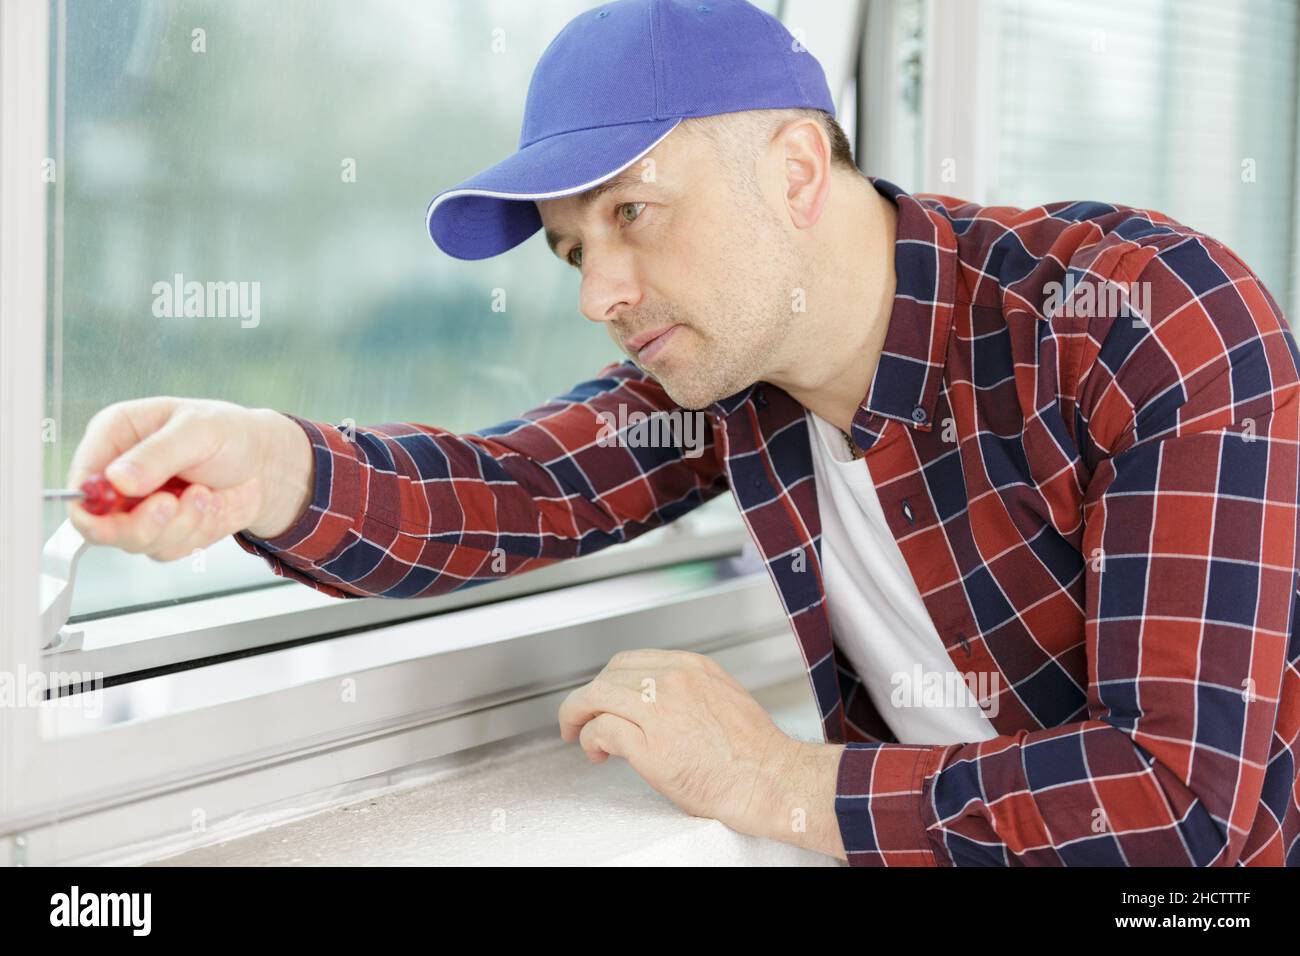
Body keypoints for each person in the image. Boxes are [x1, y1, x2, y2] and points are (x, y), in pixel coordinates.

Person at [65, 0, 1300, 866]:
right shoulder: (733, 373)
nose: (600, 291)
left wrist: (771, 778)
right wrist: (266, 466)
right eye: (571, 249)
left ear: (798, 170)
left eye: (634, 214)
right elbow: (514, 487)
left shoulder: (1146, 321)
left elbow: (1179, 806)